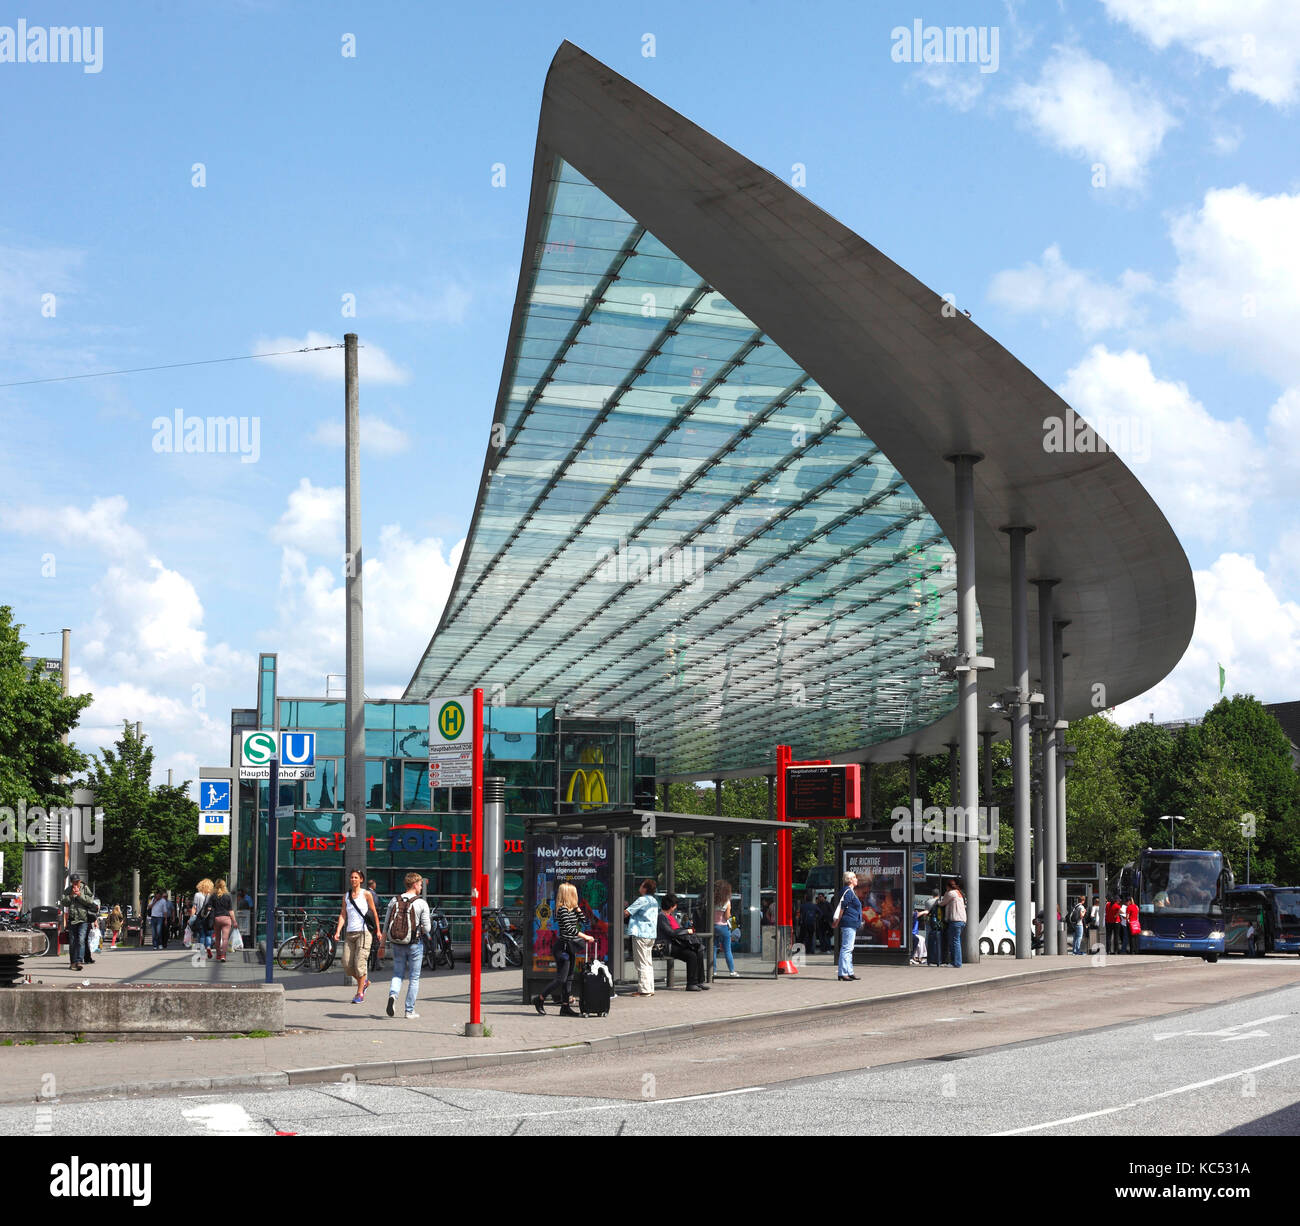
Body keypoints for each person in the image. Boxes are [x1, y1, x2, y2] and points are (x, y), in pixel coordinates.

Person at [534, 881, 594, 1017]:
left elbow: (585, 921)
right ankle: (540, 999)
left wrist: (578, 909)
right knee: (561, 978)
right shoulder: (562, 910)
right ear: (569, 895)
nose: (576, 896)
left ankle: (565, 1007)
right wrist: (585, 936)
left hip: (571, 947)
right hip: (562, 947)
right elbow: (569, 929)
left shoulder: (572, 909)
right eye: (574, 894)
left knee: (570, 978)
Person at [385, 872, 432, 1019]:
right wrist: (420, 929)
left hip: (397, 943)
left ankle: (393, 995)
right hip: (414, 944)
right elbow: (428, 928)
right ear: (414, 885)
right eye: (419, 884)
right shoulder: (421, 903)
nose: (420, 887)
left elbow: (386, 924)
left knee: (398, 974)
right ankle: (409, 1010)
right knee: (414, 977)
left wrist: (381, 944)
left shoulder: (394, 900)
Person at [333, 869, 383, 1003]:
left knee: (360, 964)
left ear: (361, 880)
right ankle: (364, 982)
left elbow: (374, 912)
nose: (353, 879)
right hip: (350, 933)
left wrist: (378, 930)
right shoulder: (346, 896)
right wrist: (338, 931)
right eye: (352, 877)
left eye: (356, 877)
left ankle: (359, 993)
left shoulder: (366, 894)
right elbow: (343, 914)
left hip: (364, 932)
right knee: (347, 965)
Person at [658, 894, 709, 991]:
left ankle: (699, 981)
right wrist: (686, 931)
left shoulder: (670, 916)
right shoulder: (661, 917)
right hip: (668, 945)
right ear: (672, 906)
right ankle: (691, 983)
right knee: (691, 955)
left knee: (698, 950)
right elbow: (671, 933)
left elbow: (677, 931)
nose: (676, 907)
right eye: (675, 905)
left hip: (676, 943)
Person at [624, 878, 659, 997]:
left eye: (642, 885)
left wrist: (624, 907)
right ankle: (650, 988)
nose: (640, 887)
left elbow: (627, 912)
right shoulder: (654, 901)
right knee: (648, 962)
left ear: (645, 888)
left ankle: (643, 990)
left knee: (641, 963)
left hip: (640, 933)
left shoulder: (642, 900)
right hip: (651, 934)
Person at [60, 874, 98, 971]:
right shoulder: (68, 890)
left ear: (80, 881)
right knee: (72, 942)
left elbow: (90, 901)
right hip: (72, 919)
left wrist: (80, 895)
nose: (76, 884)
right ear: (71, 882)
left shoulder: (85, 889)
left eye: (77, 882)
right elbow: (63, 902)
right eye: (74, 882)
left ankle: (79, 961)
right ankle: (73, 962)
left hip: (83, 919)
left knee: (81, 940)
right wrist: (72, 895)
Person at [833, 871, 862, 981]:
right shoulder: (847, 891)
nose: (856, 879)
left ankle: (849, 971)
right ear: (849, 880)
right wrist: (837, 921)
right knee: (846, 948)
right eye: (854, 877)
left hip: (851, 923)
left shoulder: (850, 891)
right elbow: (842, 907)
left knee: (849, 948)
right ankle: (843, 972)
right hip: (848, 923)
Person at [715, 880, 740, 977]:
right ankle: (732, 971)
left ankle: (713, 971)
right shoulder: (726, 901)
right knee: (727, 949)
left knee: (713, 949)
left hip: (712, 926)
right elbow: (727, 916)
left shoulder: (710, 900)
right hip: (723, 927)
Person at [941, 878, 966, 968]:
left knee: (954, 941)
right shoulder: (959, 893)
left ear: (948, 886)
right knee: (956, 941)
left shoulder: (951, 893)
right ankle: (955, 962)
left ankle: (956, 963)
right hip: (962, 921)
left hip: (955, 920)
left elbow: (942, 903)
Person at [209, 880, 234, 962]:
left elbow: (209, 908)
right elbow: (230, 910)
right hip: (226, 919)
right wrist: (234, 921)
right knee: (225, 939)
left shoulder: (213, 896)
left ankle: (218, 955)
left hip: (216, 918)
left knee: (217, 938)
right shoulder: (228, 896)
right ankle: (223, 956)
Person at [190, 878, 215, 959]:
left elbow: (194, 907)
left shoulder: (197, 895)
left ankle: (201, 953)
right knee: (208, 935)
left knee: (201, 936)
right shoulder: (212, 895)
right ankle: (208, 947)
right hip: (210, 918)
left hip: (200, 917)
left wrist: (191, 917)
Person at [926, 887, 943, 965]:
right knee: (938, 942)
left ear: (932, 894)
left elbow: (926, 913)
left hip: (930, 923)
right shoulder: (940, 902)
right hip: (938, 924)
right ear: (938, 894)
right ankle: (938, 959)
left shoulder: (928, 902)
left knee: (929, 940)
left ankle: (929, 959)